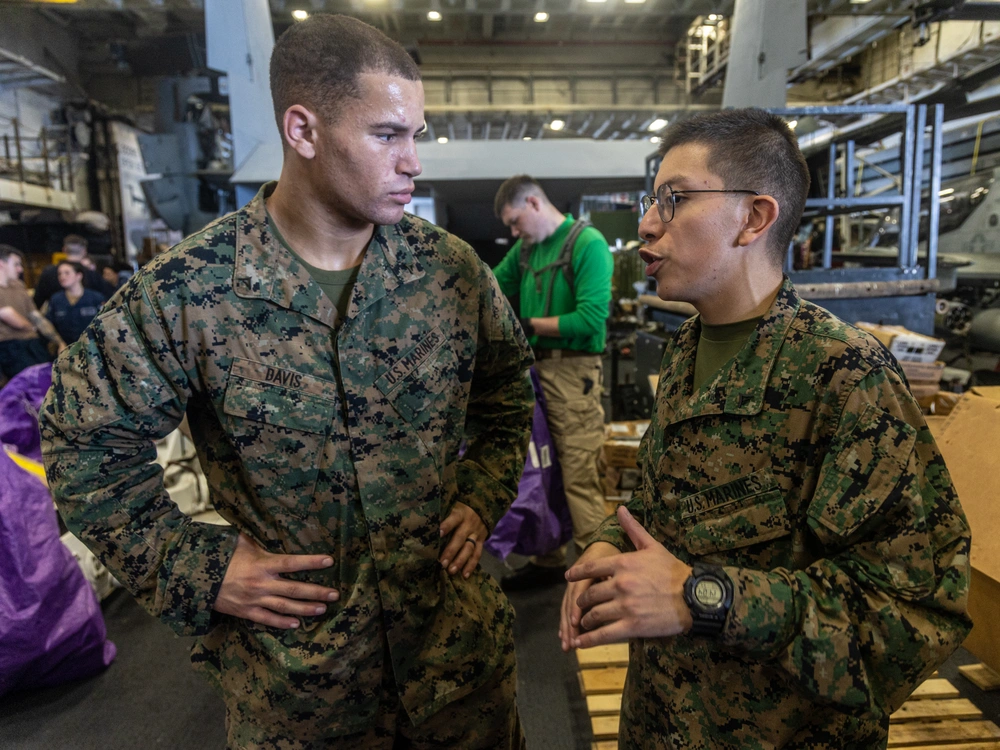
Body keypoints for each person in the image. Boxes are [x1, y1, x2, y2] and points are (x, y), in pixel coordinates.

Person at [40, 14, 534, 749]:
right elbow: (80, 443)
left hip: (456, 673)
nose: (412, 163)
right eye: (386, 135)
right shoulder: (189, 292)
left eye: (416, 135)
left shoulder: (449, 271)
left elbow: (507, 393)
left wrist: (483, 492)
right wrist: (199, 566)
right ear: (302, 131)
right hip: (303, 693)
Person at [559, 108, 971, 748]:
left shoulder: (845, 379)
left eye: (675, 200)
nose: (645, 224)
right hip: (664, 720)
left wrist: (704, 598)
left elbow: (912, 619)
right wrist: (613, 540)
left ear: (754, 217)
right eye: (652, 200)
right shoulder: (688, 351)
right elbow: (679, 504)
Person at [492, 175, 613, 590]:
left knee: (579, 471)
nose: (512, 232)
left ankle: (598, 578)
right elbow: (491, 286)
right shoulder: (527, 249)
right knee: (543, 469)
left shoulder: (587, 243)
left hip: (572, 371)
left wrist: (527, 324)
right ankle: (548, 560)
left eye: (514, 221)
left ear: (533, 202)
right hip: (534, 372)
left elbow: (591, 319)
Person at [0, 244, 65, 380]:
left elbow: (36, 316)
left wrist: (60, 342)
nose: (20, 269)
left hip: (31, 344)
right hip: (9, 347)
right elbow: (8, 315)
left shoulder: (18, 286)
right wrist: (32, 327)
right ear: (2, 264)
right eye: (16, 264)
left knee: (54, 377)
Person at [33, 234, 113, 309]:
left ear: (64, 250)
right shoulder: (94, 276)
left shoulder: (48, 274)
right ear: (84, 251)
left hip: (58, 321)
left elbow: (36, 303)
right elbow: (109, 301)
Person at [45, 261, 106, 344]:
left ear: (78, 276)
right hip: (66, 348)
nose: (62, 277)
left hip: (93, 347)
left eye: (67, 273)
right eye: (59, 274)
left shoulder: (95, 298)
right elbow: (49, 324)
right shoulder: (56, 300)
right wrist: (59, 343)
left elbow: (105, 323)